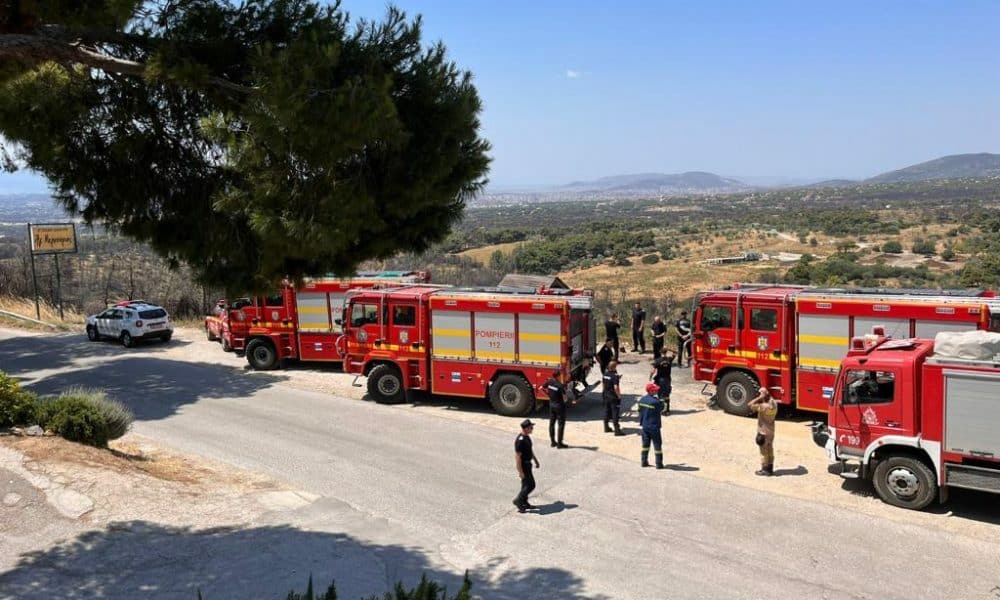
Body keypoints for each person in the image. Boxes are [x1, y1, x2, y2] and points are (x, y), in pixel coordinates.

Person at [748, 386, 778, 476]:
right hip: (771, 432)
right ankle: (770, 468)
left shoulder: (763, 407)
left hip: (763, 433)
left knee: (763, 452)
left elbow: (749, 404)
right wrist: (765, 395)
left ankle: (765, 469)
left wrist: (759, 398)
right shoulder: (774, 405)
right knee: (770, 450)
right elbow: (771, 401)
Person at [513, 419, 540, 512]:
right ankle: (518, 500)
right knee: (531, 485)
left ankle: (524, 502)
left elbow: (530, 450)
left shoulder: (527, 437)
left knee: (525, 485)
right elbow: (517, 457)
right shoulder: (520, 441)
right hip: (524, 465)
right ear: (525, 428)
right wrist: (520, 472)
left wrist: (536, 460)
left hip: (528, 463)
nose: (532, 429)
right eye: (531, 427)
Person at [638, 382, 666, 468]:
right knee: (657, 445)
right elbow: (663, 409)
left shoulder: (642, 399)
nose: (657, 391)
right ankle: (659, 464)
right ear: (651, 391)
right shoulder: (655, 402)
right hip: (654, 426)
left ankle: (644, 461)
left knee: (645, 445)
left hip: (645, 425)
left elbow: (639, 410)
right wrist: (662, 400)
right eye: (655, 390)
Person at [544, 370, 572, 448]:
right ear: (559, 376)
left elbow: (541, 388)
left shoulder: (549, 382)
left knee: (552, 424)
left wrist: (549, 396)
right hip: (560, 407)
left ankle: (553, 442)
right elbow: (565, 399)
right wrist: (568, 401)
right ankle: (560, 443)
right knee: (561, 425)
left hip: (551, 405)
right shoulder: (560, 386)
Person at [602, 360, 624, 436]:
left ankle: (606, 427)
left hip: (606, 395)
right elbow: (615, 387)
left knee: (607, 411)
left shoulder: (605, 374)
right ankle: (617, 430)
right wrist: (619, 396)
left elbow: (604, 384)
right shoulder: (615, 376)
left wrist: (604, 393)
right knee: (615, 412)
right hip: (613, 396)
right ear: (614, 367)